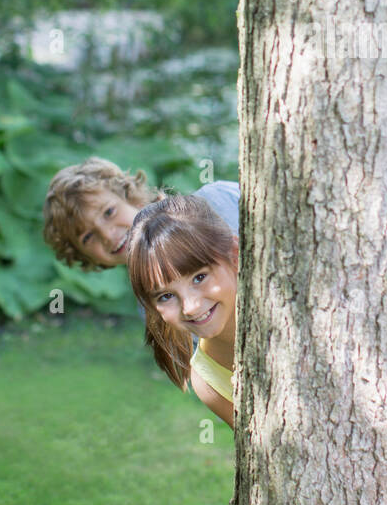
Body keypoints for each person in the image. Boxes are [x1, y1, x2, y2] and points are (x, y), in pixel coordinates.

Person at [125, 193, 238, 430]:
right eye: (165, 296)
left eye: (199, 277)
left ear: (235, 256)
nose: (191, 307)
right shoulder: (209, 382)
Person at [41, 156, 239, 271]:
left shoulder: (218, 201)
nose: (108, 236)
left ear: (132, 197)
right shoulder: (153, 305)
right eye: (88, 237)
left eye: (109, 212)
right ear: (84, 256)